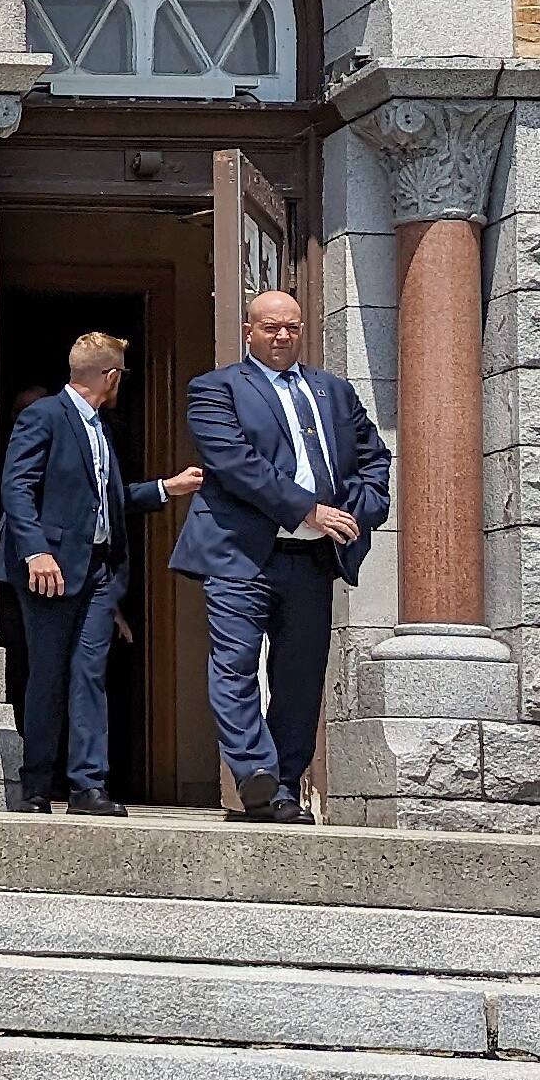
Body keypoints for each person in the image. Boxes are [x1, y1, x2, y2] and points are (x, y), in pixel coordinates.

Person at [171, 288, 393, 823]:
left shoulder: (334, 392)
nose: (283, 337)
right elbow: (236, 464)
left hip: (312, 561)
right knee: (236, 667)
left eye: (292, 327)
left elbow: (374, 459)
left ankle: (285, 787)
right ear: (249, 331)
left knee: (300, 677)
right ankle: (254, 775)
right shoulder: (215, 388)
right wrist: (308, 510)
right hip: (240, 555)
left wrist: (355, 513)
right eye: (271, 327)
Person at [0, 331, 206, 816]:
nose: (121, 384)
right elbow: (17, 487)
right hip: (48, 571)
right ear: (110, 376)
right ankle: (36, 787)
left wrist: (165, 489)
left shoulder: (102, 429)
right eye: (121, 375)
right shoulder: (44, 415)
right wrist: (35, 553)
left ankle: (89, 787)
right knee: (48, 675)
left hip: (97, 574)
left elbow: (106, 504)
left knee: (90, 675)